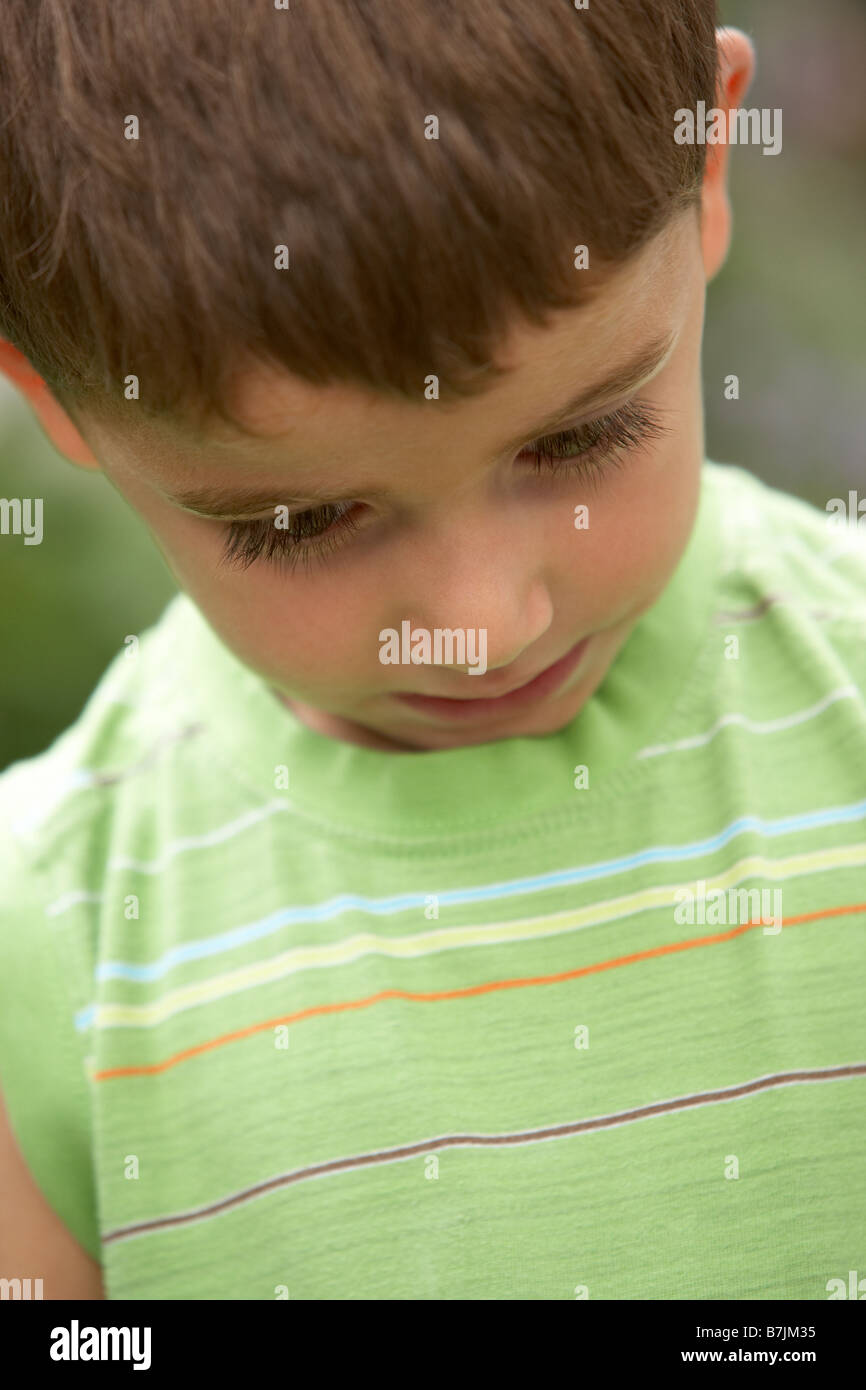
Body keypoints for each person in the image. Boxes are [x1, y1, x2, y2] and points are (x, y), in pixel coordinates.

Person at [0, 2, 863, 1300]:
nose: (483, 624)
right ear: (52, 400)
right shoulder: (46, 951)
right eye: (300, 520)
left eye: (574, 441)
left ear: (705, 163)